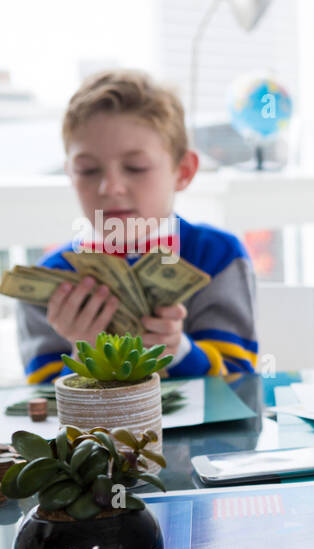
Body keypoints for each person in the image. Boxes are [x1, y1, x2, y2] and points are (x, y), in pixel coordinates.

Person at [18, 69, 258, 383]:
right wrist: (83, 355)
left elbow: (240, 384)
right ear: (70, 175)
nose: (110, 187)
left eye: (136, 167)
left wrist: (181, 351)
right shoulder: (51, 281)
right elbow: (40, 404)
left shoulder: (218, 256)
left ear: (183, 171)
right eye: (88, 170)